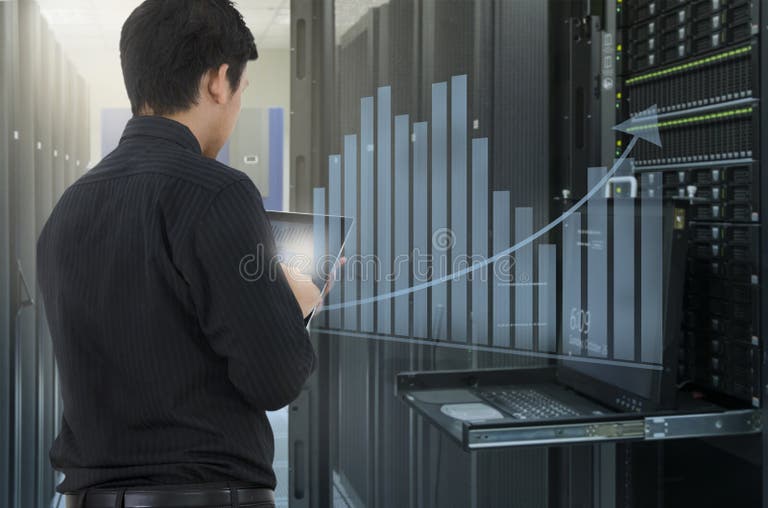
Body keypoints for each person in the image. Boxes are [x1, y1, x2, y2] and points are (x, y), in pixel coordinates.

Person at [36, 1, 323, 506]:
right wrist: (293, 303)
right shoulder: (220, 192)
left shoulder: (69, 207)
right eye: (241, 88)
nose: (236, 106)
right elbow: (274, 380)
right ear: (218, 81)